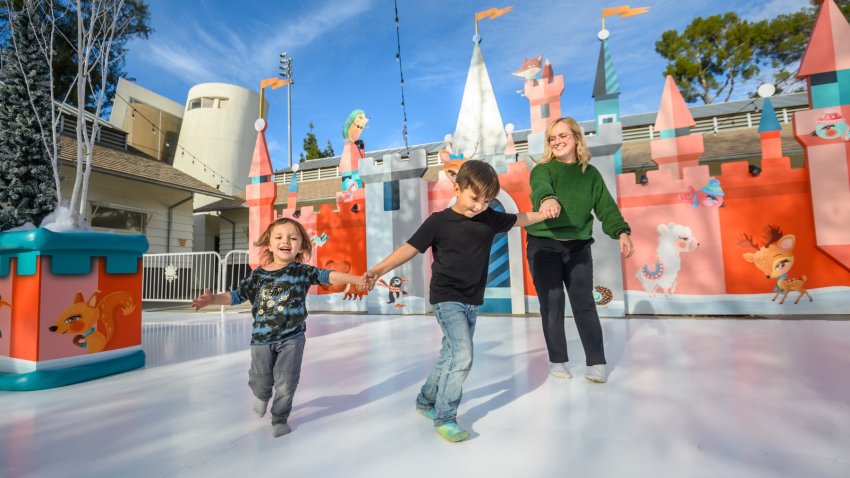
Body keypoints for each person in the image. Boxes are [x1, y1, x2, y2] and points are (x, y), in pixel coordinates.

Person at [365, 160, 554, 442]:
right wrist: (378, 270)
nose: (479, 206)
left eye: (487, 201)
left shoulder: (489, 218)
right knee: (464, 354)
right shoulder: (438, 222)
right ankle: (445, 416)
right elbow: (409, 248)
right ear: (457, 188)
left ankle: (425, 401)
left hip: (471, 302)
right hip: (446, 298)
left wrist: (544, 213)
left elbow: (520, 219)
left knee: (450, 355)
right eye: (474, 198)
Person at [192, 217, 369, 437]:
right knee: (261, 379)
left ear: (301, 246)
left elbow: (328, 275)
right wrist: (212, 299)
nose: (286, 241)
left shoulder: (302, 271)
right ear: (269, 243)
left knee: (287, 381)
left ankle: (279, 418)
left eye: (293, 238)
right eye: (279, 237)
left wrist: (355, 279)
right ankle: (262, 394)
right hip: (262, 339)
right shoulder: (258, 275)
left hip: (292, 338)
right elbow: (237, 296)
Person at [525, 117, 634, 384]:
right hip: (544, 245)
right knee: (552, 304)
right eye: (552, 138)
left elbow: (606, 208)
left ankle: (597, 362)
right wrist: (548, 200)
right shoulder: (543, 169)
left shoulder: (591, 174)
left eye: (563, 135)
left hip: (577, 247)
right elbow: (541, 189)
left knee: (584, 303)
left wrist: (621, 232)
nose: (558, 141)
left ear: (576, 138)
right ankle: (558, 360)